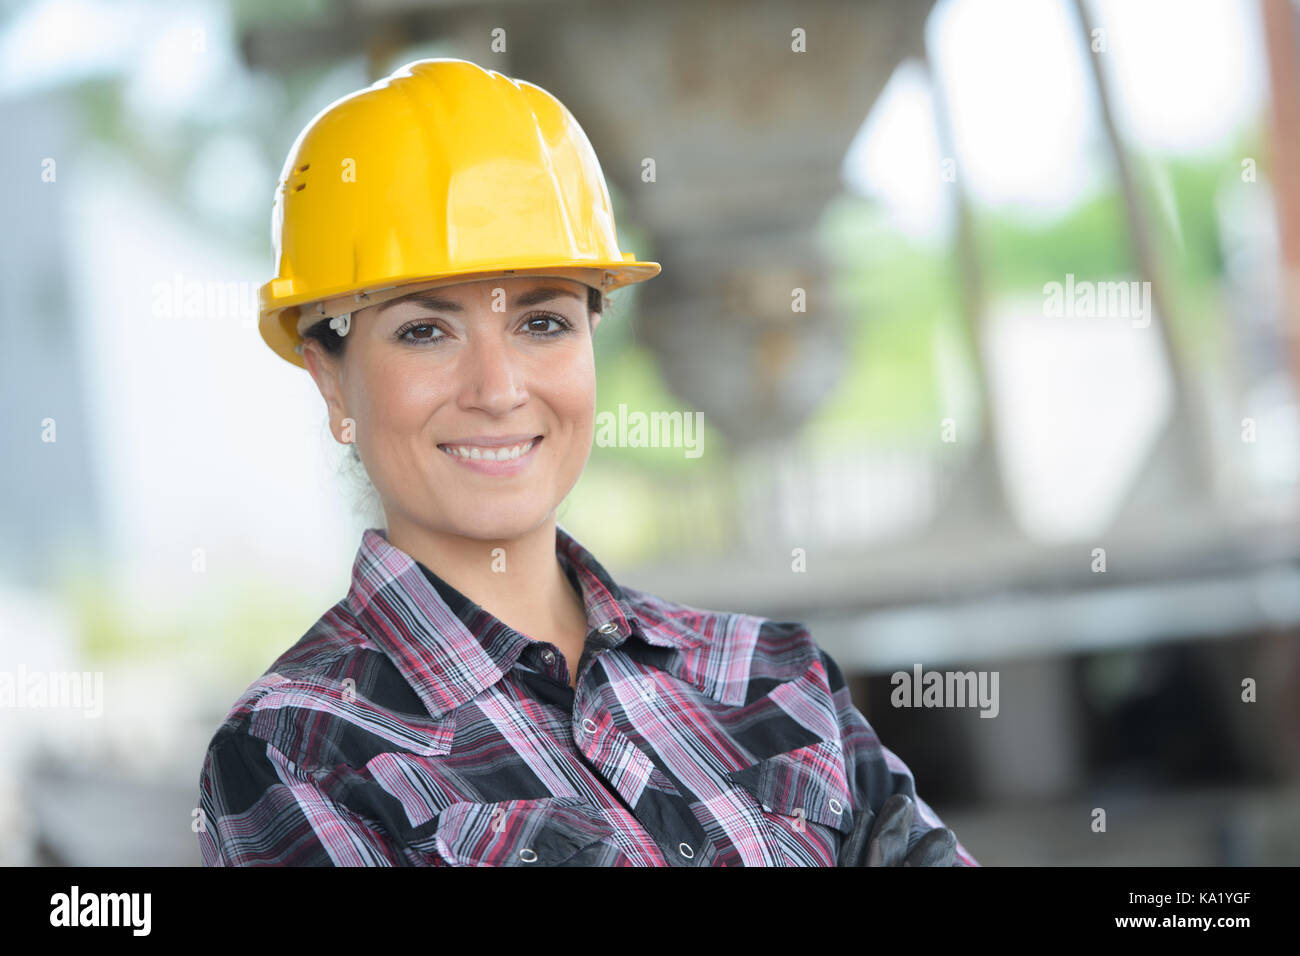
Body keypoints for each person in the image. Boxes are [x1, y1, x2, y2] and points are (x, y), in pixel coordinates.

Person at [196, 57, 978, 867]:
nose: (498, 390)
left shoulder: (776, 679)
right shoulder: (296, 756)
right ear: (332, 379)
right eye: (425, 331)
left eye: (542, 324)